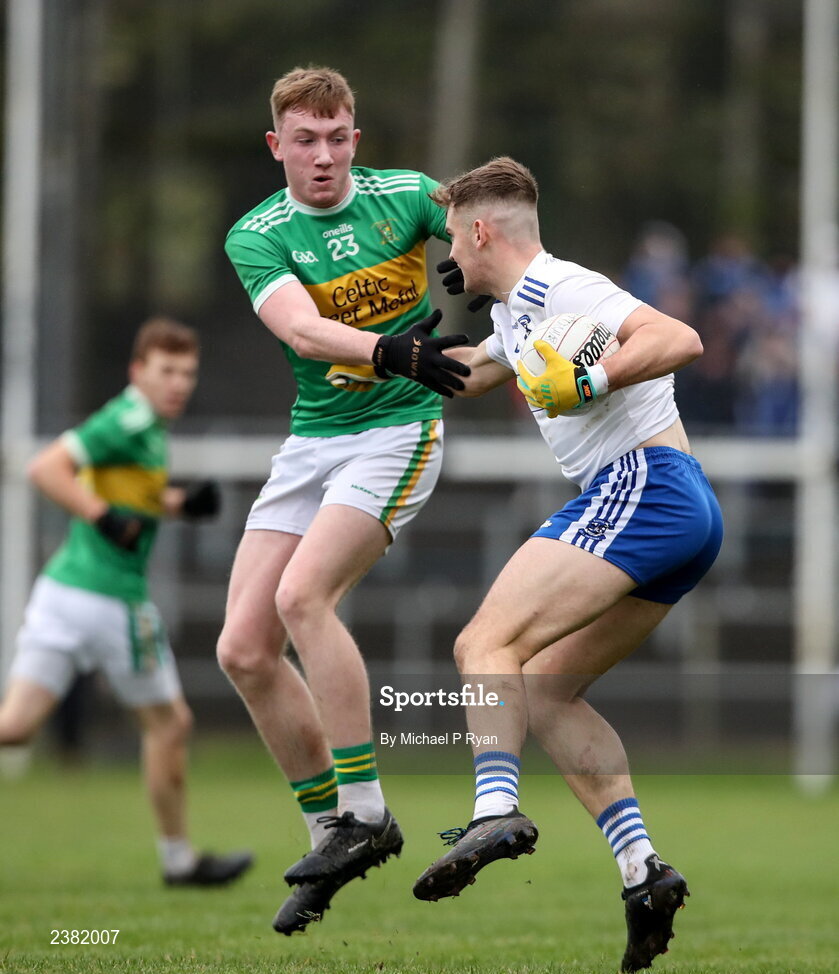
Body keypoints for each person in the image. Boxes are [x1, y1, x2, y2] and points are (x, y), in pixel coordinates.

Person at [411, 157, 723, 974]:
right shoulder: (519, 308)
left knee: (484, 646)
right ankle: (642, 872)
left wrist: (591, 376)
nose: (451, 251)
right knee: (545, 690)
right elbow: (487, 367)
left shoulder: (560, 288)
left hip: (643, 484)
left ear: (480, 230)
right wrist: (410, 361)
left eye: (453, 235)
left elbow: (677, 338)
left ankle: (494, 810)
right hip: (674, 506)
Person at [218, 66, 474, 934]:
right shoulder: (257, 233)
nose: (322, 156)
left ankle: (363, 812)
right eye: (304, 140)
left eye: (337, 139)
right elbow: (298, 328)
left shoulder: (404, 195)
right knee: (245, 650)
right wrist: (389, 348)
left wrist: (474, 262)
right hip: (314, 441)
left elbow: (494, 221)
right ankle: (332, 831)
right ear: (276, 146)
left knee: (302, 598)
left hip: (398, 434)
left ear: (354, 141)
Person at [0, 316, 253, 887]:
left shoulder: (146, 428)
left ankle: (179, 859)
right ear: (137, 371)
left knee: (14, 728)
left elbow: (126, 492)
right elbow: (46, 468)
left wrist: (176, 504)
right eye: (166, 371)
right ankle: (179, 861)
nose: (178, 384)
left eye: (187, 373)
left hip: (63, 590)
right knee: (170, 726)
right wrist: (101, 517)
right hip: (113, 602)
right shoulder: (130, 415)